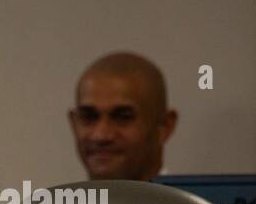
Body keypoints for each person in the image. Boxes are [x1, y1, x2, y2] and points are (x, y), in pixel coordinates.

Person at [69, 52, 177, 181]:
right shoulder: (53, 201)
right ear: (73, 123)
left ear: (164, 126)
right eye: (89, 117)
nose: (101, 135)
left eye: (123, 117)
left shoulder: (199, 201)